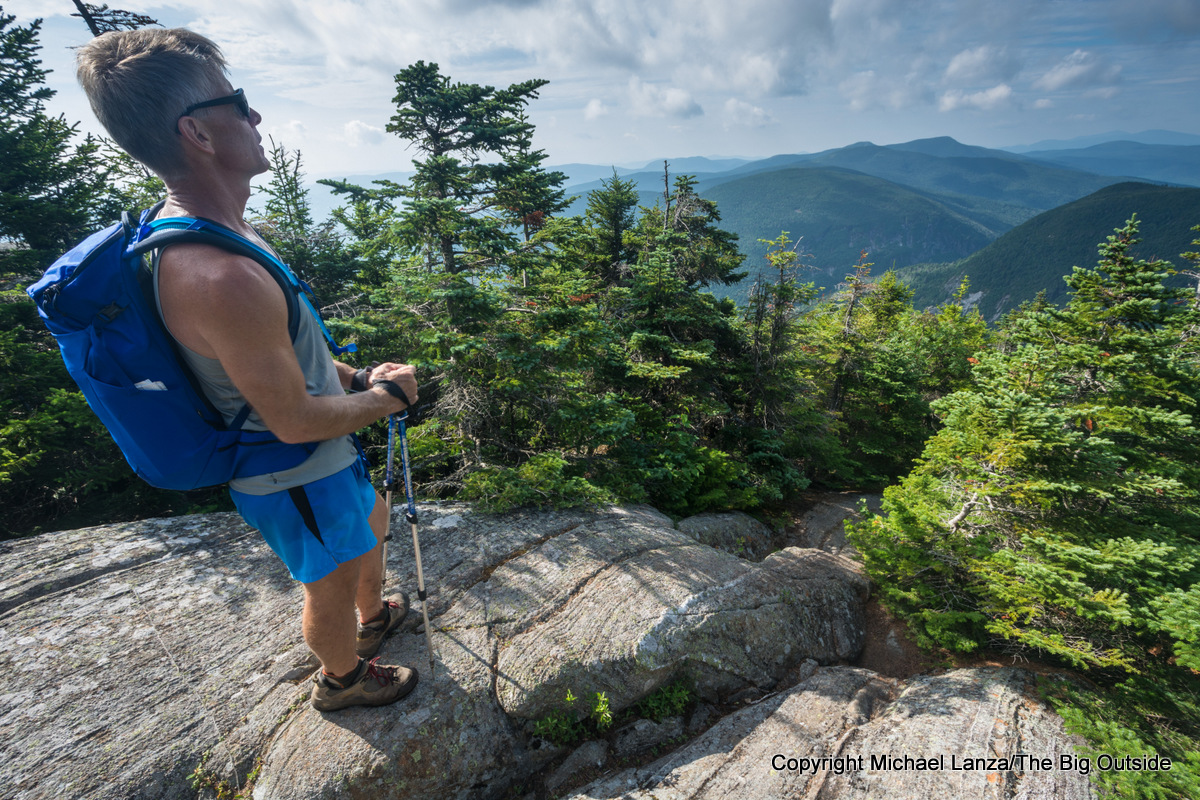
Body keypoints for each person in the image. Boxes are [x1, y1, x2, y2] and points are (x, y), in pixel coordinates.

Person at [75, 28, 419, 711]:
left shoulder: (226, 234)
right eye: (239, 101)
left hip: (321, 454)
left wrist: (351, 381)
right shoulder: (219, 273)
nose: (256, 117)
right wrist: (388, 400)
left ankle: (374, 616)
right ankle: (343, 679)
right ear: (197, 133)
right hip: (289, 467)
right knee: (326, 579)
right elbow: (289, 420)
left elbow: (277, 362)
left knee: (371, 523)